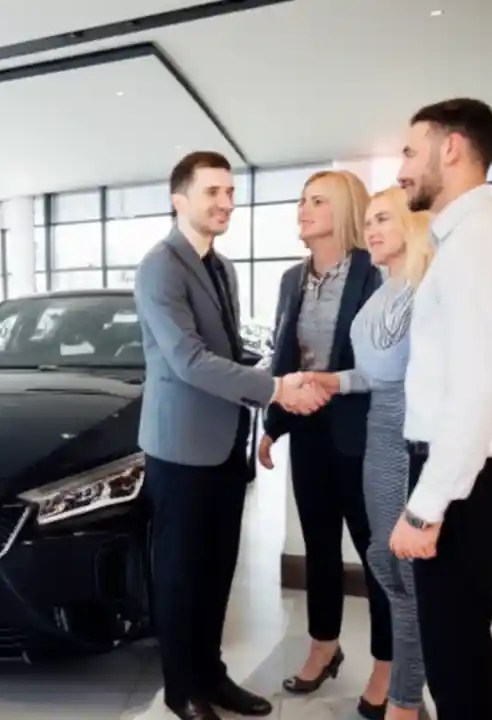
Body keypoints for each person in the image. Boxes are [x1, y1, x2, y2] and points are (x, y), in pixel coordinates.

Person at [134, 151, 330, 720]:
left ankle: (210, 674)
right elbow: (189, 361)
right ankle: (180, 689)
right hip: (179, 449)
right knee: (179, 575)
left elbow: (224, 353)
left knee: (218, 569)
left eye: (230, 193)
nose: (225, 204)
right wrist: (273, 388)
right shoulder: (160, 266)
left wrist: (279, 370)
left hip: (224, 444)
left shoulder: (222, 267)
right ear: (180, 200)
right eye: (212, 192)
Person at [389, 98, 492, 720]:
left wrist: (426, 511)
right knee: (461, 650)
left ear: (449, 148)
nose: (401, 170)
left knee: (455, 657)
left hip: (464, 478)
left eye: (408, 151)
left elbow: (476, 390)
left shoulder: (478, 242)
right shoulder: (473, 236)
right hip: (473, 470)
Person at [257, 170, 390, 713]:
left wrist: (330, 386)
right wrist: (271, 424)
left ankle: (387, 665)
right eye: (301, 201)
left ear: (345, 211)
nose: (302, 210)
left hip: (361, 434)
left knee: (375, 555)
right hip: (308, 431)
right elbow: (285, 357)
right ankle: (323, 647)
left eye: (316, 202)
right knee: (319, 549)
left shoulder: (373, 274)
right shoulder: (292, 278)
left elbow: (382, 363)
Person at [303, 186, 435, 720]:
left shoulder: (427, 290)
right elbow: (374, 374)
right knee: (388, 569)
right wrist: (329, 379)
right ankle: (407, 696)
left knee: (408, 579)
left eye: (384, 219)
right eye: (371, 221)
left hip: (408, 441)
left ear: (412, 225)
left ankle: (404, 701)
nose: (371, 230)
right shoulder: (387, 288)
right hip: (378, 441)